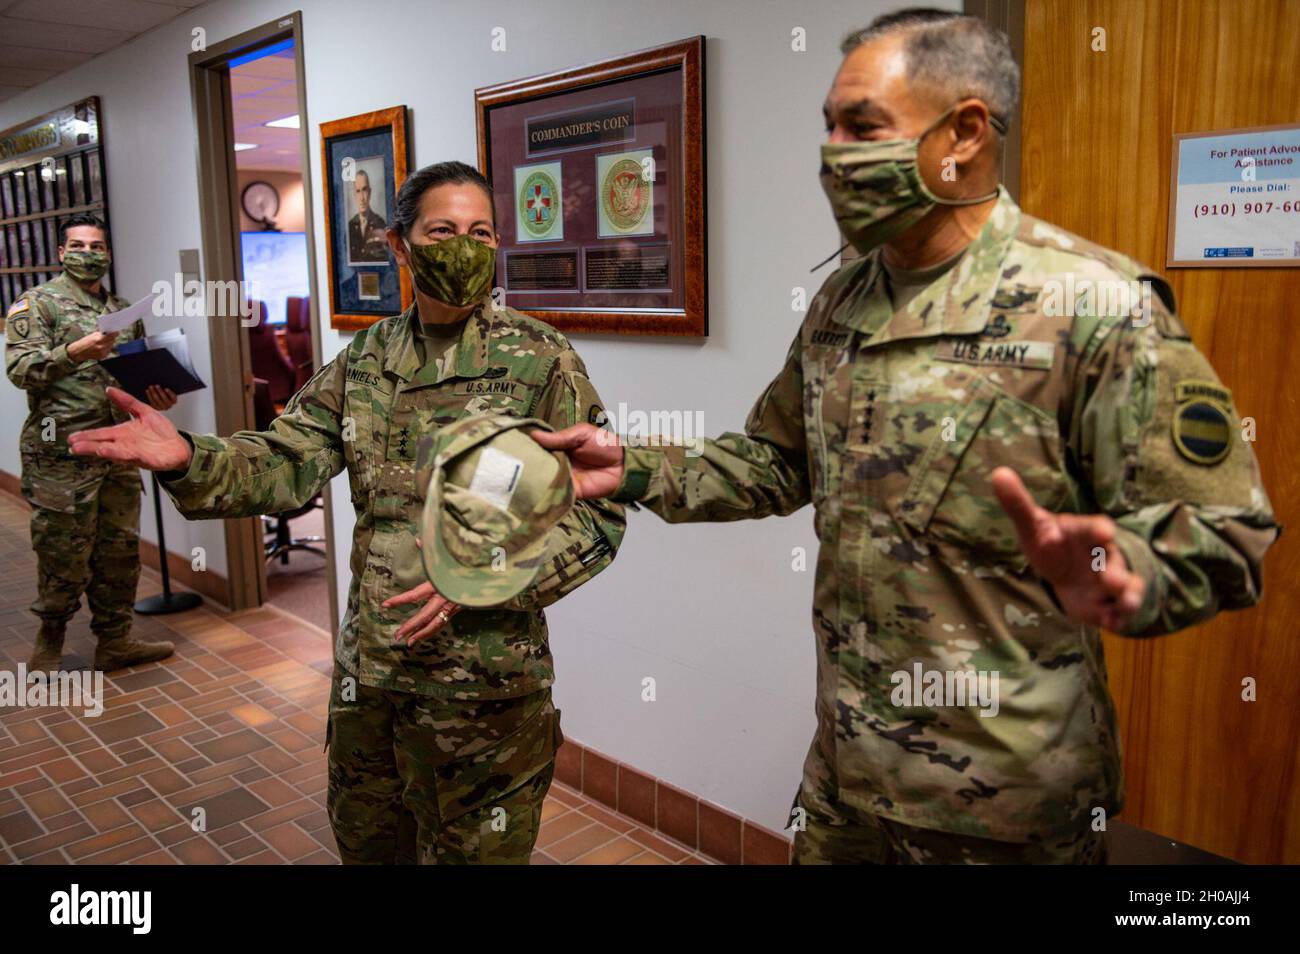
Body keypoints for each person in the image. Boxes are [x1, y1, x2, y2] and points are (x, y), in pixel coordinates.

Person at [535, 9, 1279, 864]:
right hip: (847, 782)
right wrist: (635, 465)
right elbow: (775, 461)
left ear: (964, 132)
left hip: (1005, 811)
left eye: (862, 127)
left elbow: (1227, 533)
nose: (834, 154)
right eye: (829, 129)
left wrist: (1118, 568)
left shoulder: (1093, 305)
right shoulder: (843, 302)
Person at [68, 161, 625, 865]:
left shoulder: (542, 362)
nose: (465, 247)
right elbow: (284, 459)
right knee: (369, 851)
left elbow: (596, 518)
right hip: (372, 683)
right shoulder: (366, 360)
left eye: (481, 233)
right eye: (443, 231)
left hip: (484, 693)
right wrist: (189, 459)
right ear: (400, 246)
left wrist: (485, 572)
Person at [5, 213, 178, 672]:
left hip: (118, 448)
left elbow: (131, 379)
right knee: (63, 552)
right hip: (61, 452)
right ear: (62, 253)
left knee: (119, 551)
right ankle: (50, 642)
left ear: (107, 253)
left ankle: (115, 640)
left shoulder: (122, 311)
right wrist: (76, 350)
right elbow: (21, 370)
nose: (88, 254)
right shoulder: (37, 304)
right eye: (78, 246)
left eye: (97, 246)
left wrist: (156, 393)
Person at [348, 169, 389, 263]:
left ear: (370, 192)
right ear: (354, 195)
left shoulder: (380, 224)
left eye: (364, 190)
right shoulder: (350, 226)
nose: (362, 198)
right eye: (358, 191)